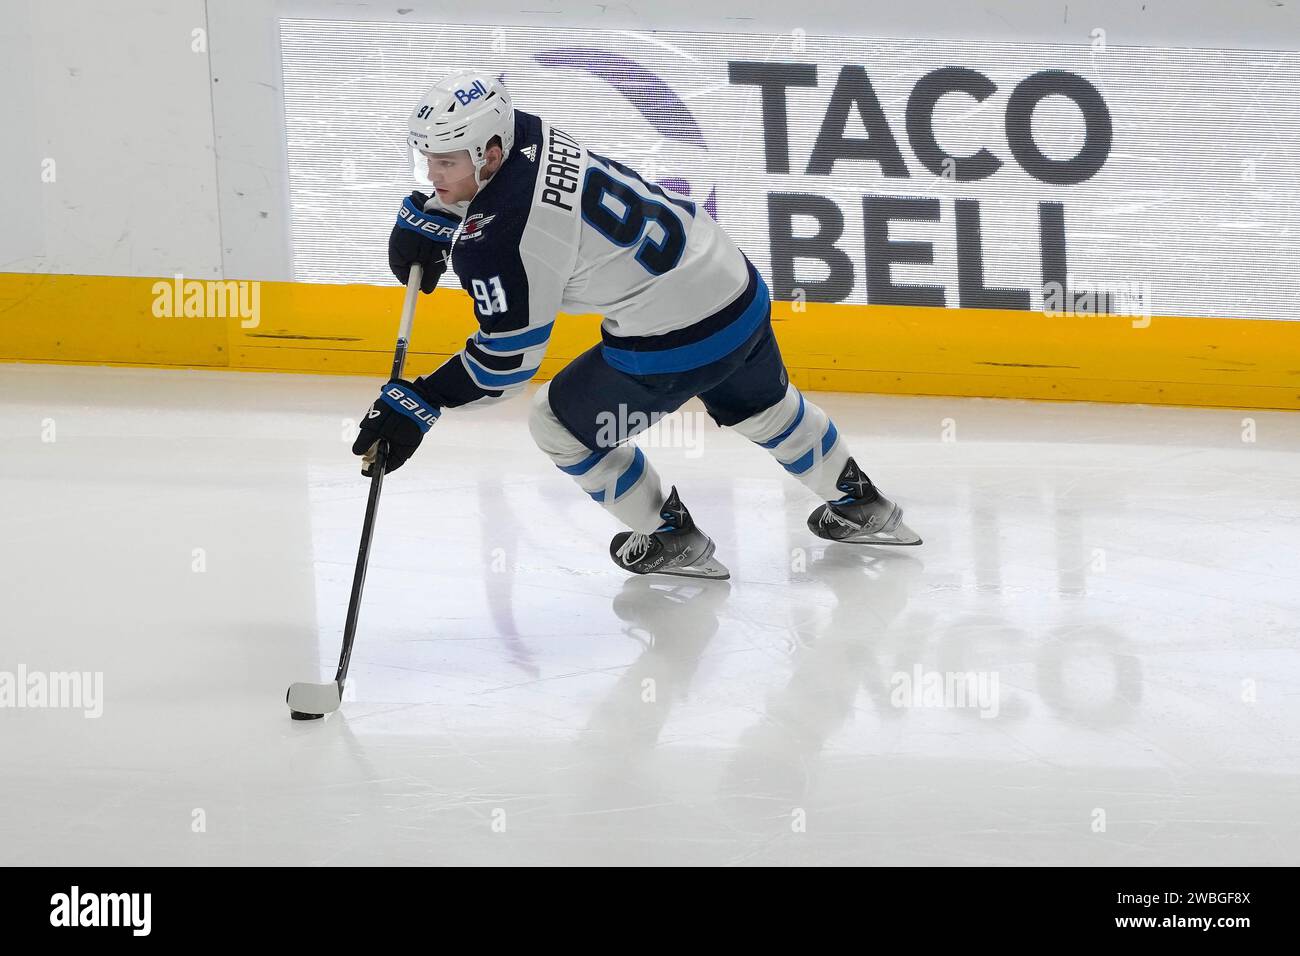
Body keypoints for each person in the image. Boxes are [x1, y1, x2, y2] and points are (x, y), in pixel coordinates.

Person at [353, 71, 920, 579]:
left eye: (446, 162)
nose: (433, 172)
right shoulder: (523, 128)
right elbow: (521, 202)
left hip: (678, 336)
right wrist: (443, 211)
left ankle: (672, 538)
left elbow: (506, 363)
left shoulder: (499, 242)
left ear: (490, 153)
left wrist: (421, 402)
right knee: (763, 406)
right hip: (732, 281)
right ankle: (862, 504)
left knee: (556, 421)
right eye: (428, 159)